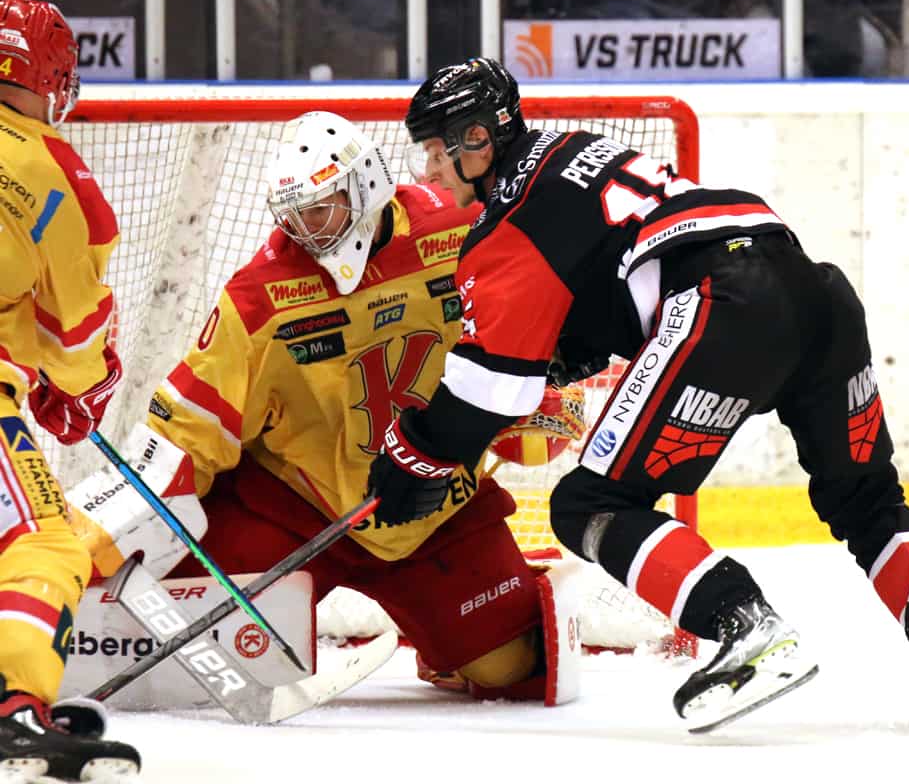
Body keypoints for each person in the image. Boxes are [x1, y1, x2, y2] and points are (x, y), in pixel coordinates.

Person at [368, 57, 909, 732]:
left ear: (478, 140)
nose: (428, 171)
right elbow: (608, 270)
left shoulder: (508, 225)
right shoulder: (571, 151)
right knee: (865, 498)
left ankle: (746, 625)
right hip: (817, 295)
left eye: (435, 150)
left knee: (587, 503)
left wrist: (412, 458)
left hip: (727, 303)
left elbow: (488, 394)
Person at [66, 110, 585, 709]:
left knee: (513, 668)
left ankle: (451, 630)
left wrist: (547, 387)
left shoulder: (461, 230)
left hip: (433, 500)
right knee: (181, 656)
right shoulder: (262, 295)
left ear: (363, 186)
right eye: (292, 215)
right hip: (297, 510)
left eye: (318, 209)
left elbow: (533, 324)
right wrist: (113, 525)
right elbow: (189, 426)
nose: (305, 230)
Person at [0, 0, 142, 782]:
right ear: (53, 75)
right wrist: (79, 389)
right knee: (45, 544)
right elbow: (79, 338)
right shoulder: (48, 169)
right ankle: (14, 709)